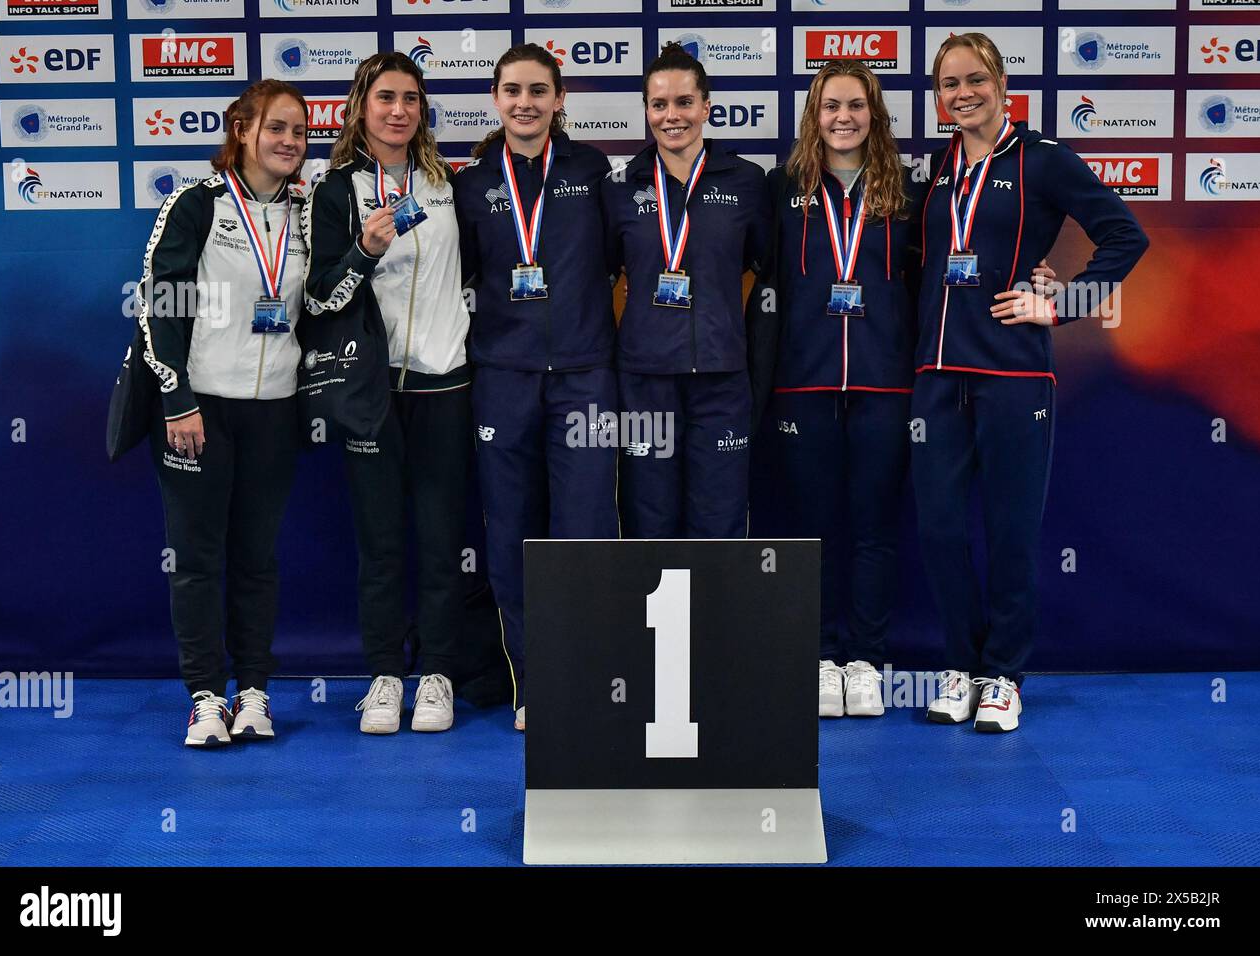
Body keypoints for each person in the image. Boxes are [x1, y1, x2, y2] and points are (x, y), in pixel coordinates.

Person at [757, 61, 1059, 721]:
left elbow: (969, 252)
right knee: (813, 530)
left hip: (888, 386)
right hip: (802, 383)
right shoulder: (780, 191)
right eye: (831, 106)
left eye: (857, 107)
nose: (843, 118)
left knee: (872, 529)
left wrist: (1047, 281)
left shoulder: (911, 190)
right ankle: (817, 655)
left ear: (875, 114)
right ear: (814, 115)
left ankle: (865, 658)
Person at [916, 33, 1147, 732]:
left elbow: (1124, 236)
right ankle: (961, 666)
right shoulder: (938, 165)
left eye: (975, 79)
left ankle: (1005, 676)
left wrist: (1063, 301)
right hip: (935, 376)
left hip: (1015, 374)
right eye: (949, 84)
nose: (963, 94)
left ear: (1002, 83)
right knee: (940, 528)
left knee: (1011, 531)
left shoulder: (1044, 161)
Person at [303, 52, 472, 735]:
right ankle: (382, 675)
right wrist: (365, 251)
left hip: (445, 384)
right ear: (361, 107)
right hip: (370, 392)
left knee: (439, 538)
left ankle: (436, 673)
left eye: (409, 98)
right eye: (385, 99)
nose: (398, 110)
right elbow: (319, 297)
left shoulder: (449, 183)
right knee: (379, 542)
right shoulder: (337, 189)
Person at [453, 44, 619, 732]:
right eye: (513, 90)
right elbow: (461, 277)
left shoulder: (594, 171)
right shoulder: (470, 183)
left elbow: (617, 263)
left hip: (584, 378)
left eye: (538, 91)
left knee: (583, 532)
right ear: (496, 99)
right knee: (512, 535)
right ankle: (531, 681)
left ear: (559, 100)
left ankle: (578, 672)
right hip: (503, 379)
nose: (525, 102)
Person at [137, 79, 309, 747]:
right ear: (243, 130)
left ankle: (255, 693)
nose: (290, 141)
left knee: (257, 559)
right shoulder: (196, 204)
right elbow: (159, 303)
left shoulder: (308, 211)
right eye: (277, 128)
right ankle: (206, 697)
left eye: (299, 131)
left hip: (275, 412)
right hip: (197, 410)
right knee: (199, 558)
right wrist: (176, 396)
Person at [603, 42, 767, 540]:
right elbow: (607, 272)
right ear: (647, 111)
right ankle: (654, 620)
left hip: (721, 378)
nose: (671, 115)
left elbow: (758, 267)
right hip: (644, 379)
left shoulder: (746, 182)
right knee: (649, 517)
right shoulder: (621, 187)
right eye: (659, 104)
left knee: (718, 517)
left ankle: (713, 621)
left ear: (706, 108)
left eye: (684, 102)